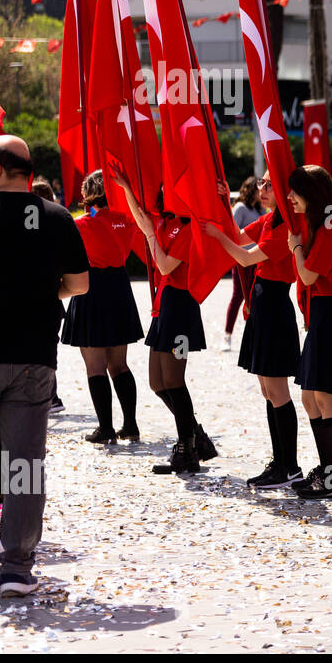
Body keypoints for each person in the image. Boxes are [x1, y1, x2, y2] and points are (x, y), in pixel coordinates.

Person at [0, 135, 88, 595]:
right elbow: (80, 285)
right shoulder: (58, 217)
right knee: (25, 466)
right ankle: (17, 569)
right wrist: (47, 293)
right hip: (34, 358)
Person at [112, 170, 219, 476]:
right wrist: (127, 186)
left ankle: (187, 449)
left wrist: (150, 236)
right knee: (157, 383)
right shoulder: (166, 222)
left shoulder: (188, 228)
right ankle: (196, 436)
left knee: (174, 380)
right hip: (164, 307)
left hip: (182, 309)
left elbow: (165, 264)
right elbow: (141, 220)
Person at [202, 173, 304, 489]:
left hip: (275, 306)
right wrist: (223, 201)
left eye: (270, 184)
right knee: (267, 390)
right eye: (261, 183)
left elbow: (245, 256)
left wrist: (217, 238)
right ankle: (279, 461)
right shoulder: (270, 220)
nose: (262, 189)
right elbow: (239, 233)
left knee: (278, 392)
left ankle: (289, 467)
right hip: (262, 305)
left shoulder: (285, 224)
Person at [285, 165, 332, 499]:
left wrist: (296, 248)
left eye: (294, 192)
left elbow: (310, 276)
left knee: (328, 399)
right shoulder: (323, 223)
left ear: (311, 194)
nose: (289, 199)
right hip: (322, 314)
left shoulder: (331, 229)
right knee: (311, 397)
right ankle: (327, 467)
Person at [61, 171, 144, 445]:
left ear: (88, 193)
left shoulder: (80, 224)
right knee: (119, 364)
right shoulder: (127, 220)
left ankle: (105, 428)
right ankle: (130, 425)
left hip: (91, 288)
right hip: (119, 288)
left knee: (95, 367)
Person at [30, 177, 67, 413]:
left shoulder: (38, 229)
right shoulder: (57, 223)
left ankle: (49, 397)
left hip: (39, 300)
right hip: (52, 300)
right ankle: (50, 396)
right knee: (45, 348)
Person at [223, 176, 262, 352]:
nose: (261, 192)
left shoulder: (261, 210)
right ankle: (227, 335)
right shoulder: (240, 208)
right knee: (239, 295)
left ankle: (251, 332)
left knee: (254, 297)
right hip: (242, 259)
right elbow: (233, 232)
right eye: (258, 188)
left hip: (258, 259)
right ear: (250, 190)